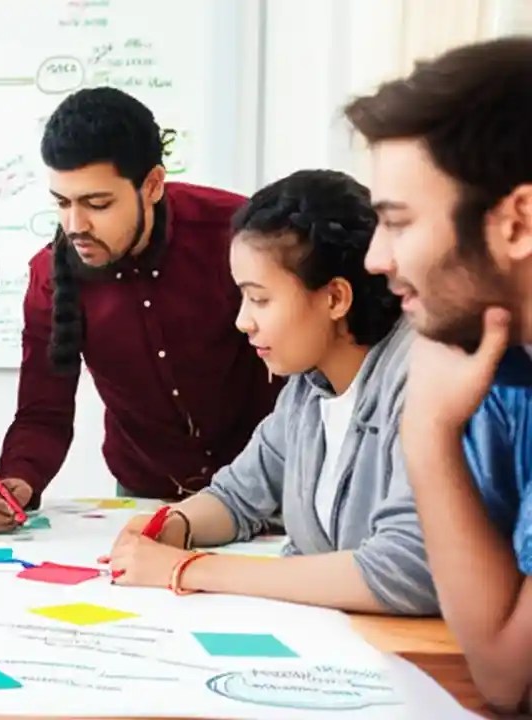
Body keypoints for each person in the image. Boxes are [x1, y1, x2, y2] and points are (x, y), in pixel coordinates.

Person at [104, 170, 436, 615]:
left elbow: (405, 570)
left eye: (259, 299)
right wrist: (175, 526)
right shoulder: (308, 387)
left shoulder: (419, 379)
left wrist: (188, 569)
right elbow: (238, 497)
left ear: (336, 298)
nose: (243, 321)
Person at [0, 87, 281, 533]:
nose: (75, 226)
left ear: (153, 184)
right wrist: (17, 481)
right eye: (62, 203)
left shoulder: (235, 233)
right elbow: (44, 412)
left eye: (97, 204)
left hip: (266, 490)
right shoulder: (49, 276)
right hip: (146, 494)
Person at [346, 36, 532, 712]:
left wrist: (426, 431)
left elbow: (510, 678)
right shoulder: (494, 361)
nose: (374, 258)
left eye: (398, 222)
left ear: (516, 221)